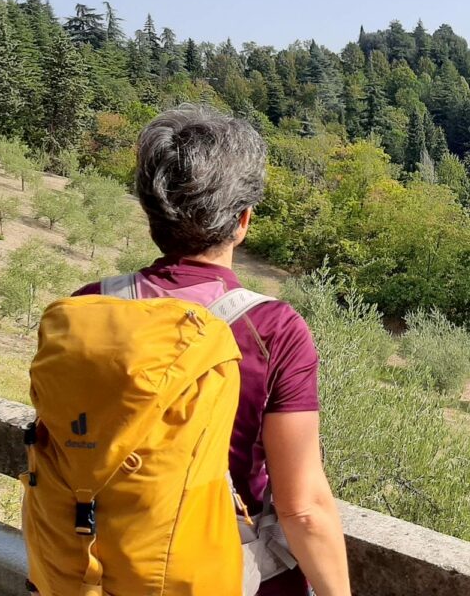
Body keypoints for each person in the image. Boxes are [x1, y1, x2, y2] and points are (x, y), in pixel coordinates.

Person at [73, 104, 351, 596]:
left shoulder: (87, 308)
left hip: (101, 574)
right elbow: (303, 508)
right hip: (224, 578)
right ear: (243, 220)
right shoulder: (274, 330)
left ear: (150, 212)